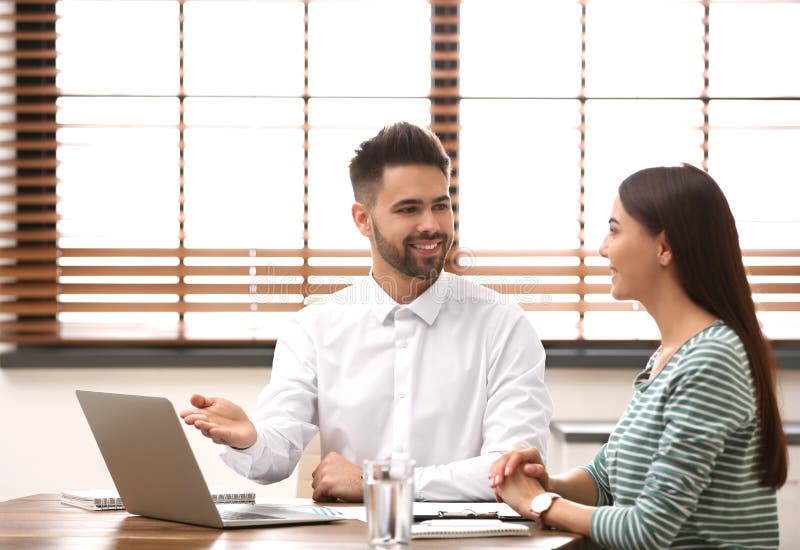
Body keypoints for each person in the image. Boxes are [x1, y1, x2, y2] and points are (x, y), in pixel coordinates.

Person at [181, 121, 552, 502]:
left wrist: (376, 483)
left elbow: (511, 472)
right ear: (363, 219)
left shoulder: (503, 325)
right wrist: (250, 438)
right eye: (409, 209)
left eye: (440, 206)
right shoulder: (314, 327)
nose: (431, 225)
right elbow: (273, 459)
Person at [489, 164, 787, 548]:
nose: (602, 248)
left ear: (664, 247)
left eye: (614, 230)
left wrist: (539, 503)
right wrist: (546, 482)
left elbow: (647, 529)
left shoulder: (713, 359)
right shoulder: (668, 357)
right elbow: (605, 479)